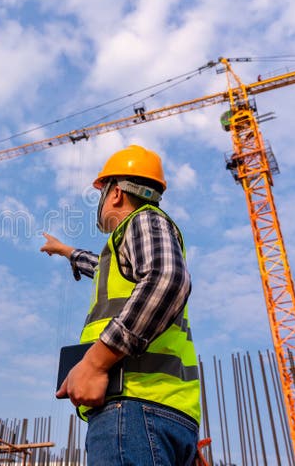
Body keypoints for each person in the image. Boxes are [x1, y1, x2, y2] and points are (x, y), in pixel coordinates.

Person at [40, 145, 200, 466]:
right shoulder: (133, 238)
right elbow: (103, 268)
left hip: (133, 405)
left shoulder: (144, 221)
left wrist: (95, 362)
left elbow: (166, 278)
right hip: (160, 409)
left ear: (115, 193)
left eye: (101, 192)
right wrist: (67, 251)